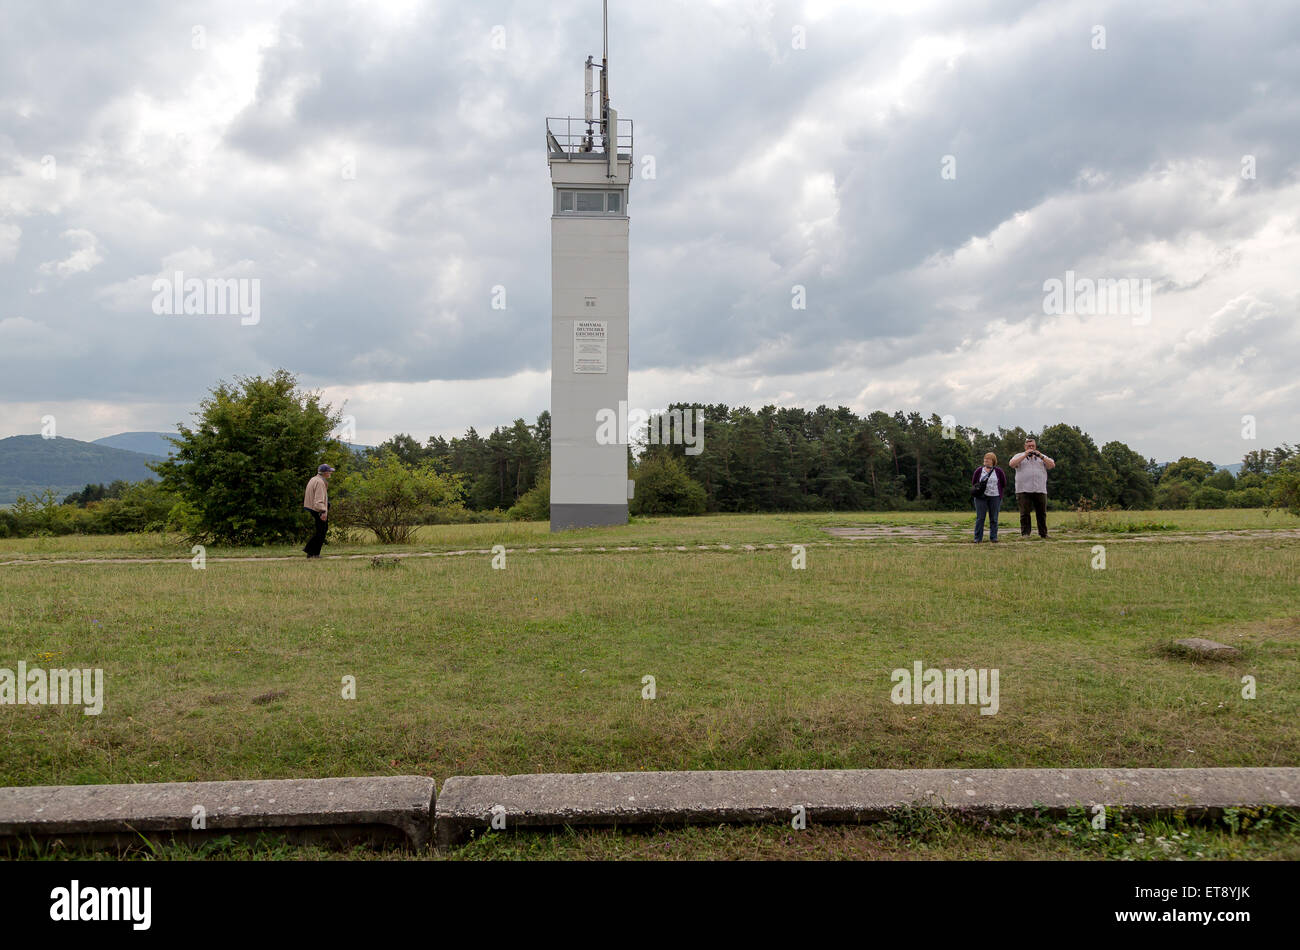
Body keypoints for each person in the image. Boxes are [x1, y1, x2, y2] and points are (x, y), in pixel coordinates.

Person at [1008, 437, 1055, 538]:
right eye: (1029, 446)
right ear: (1025, 447)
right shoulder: (1019, 456)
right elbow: (1011, 464)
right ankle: (1025, 533)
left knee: (1041, 513)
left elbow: (1051, 465)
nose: (1031, 448)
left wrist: (1041, 456)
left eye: (1032, 446)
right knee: (1025, 513)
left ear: (1035, 446)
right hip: (1023, 489)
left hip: (1040, 489)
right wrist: (1025, 455)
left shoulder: (1041, 457)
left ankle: (1043, 533)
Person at [970, 452, 1007, 542]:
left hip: (995, 496)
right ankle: (978, 538)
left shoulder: (999, 471)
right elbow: (974, 482)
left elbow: (1003, 483)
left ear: (993, 461)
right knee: (980, 518)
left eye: (988, 459)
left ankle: (993, 537)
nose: (986, 460)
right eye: (985, 458)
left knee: (994, 518)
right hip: (981, 497)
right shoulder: (979, 470)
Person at [303, 463, 335, 558]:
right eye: (329, 471)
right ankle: (312, 552)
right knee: (321, 531)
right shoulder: (320, 482)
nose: (330, 473)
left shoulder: (314, 479)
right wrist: (323, 511)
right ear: (325, 473)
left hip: (312, 507)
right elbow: (319, 499)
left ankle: (312, 552)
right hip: (318, 509)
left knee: (321, 530)